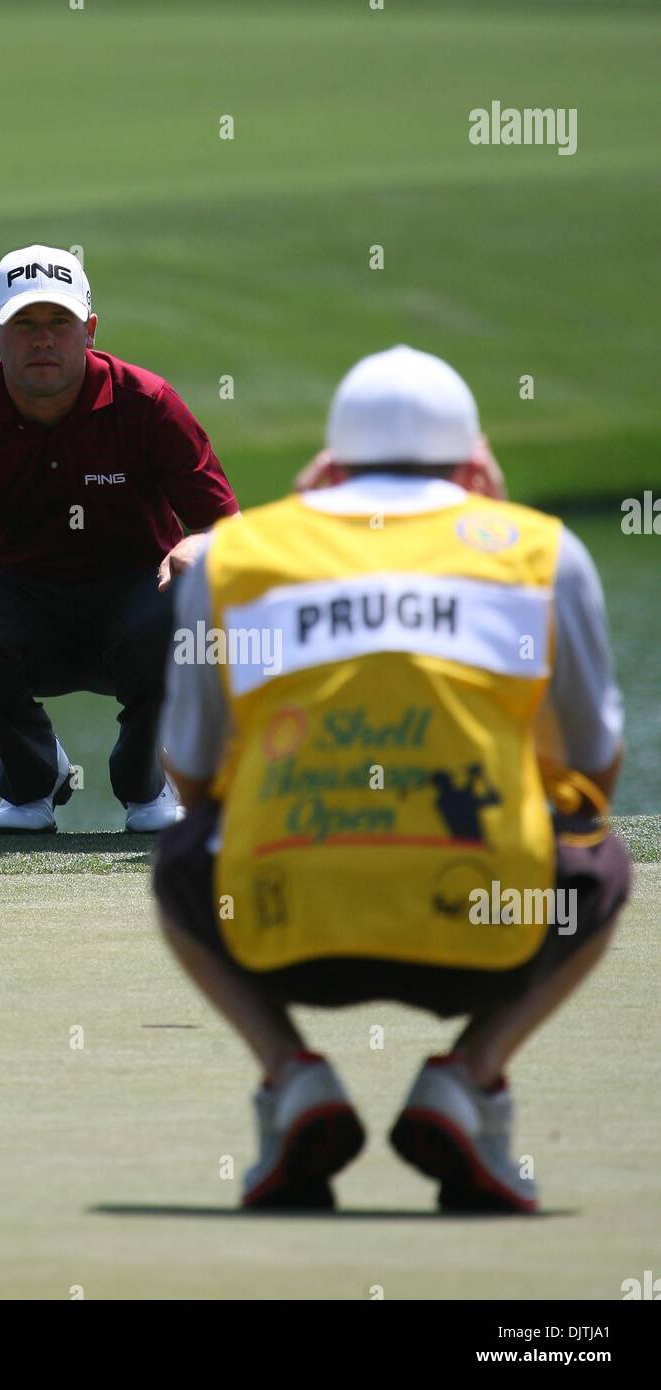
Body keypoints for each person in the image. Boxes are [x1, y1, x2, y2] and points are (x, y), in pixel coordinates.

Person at [153, 344, 630, 1212]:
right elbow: (597, 765)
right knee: (603, 860)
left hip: (282, 930)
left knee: (181, 856)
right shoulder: (541, 551)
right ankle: (469, 1077)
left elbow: (187, 772)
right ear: (474, 466)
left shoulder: (236, 555)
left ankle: (294, 1079)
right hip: (486, 931)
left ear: (328, 468)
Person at [0, 244, 238, 833]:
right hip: (20, 609)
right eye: (23, 323)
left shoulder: (147, 403)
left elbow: (232, 536)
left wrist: (201, 546)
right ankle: (33, 775)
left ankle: (146, 777)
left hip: (137, 607)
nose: (42, 339)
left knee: (197, 595)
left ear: (89, 330)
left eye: (59, 322)